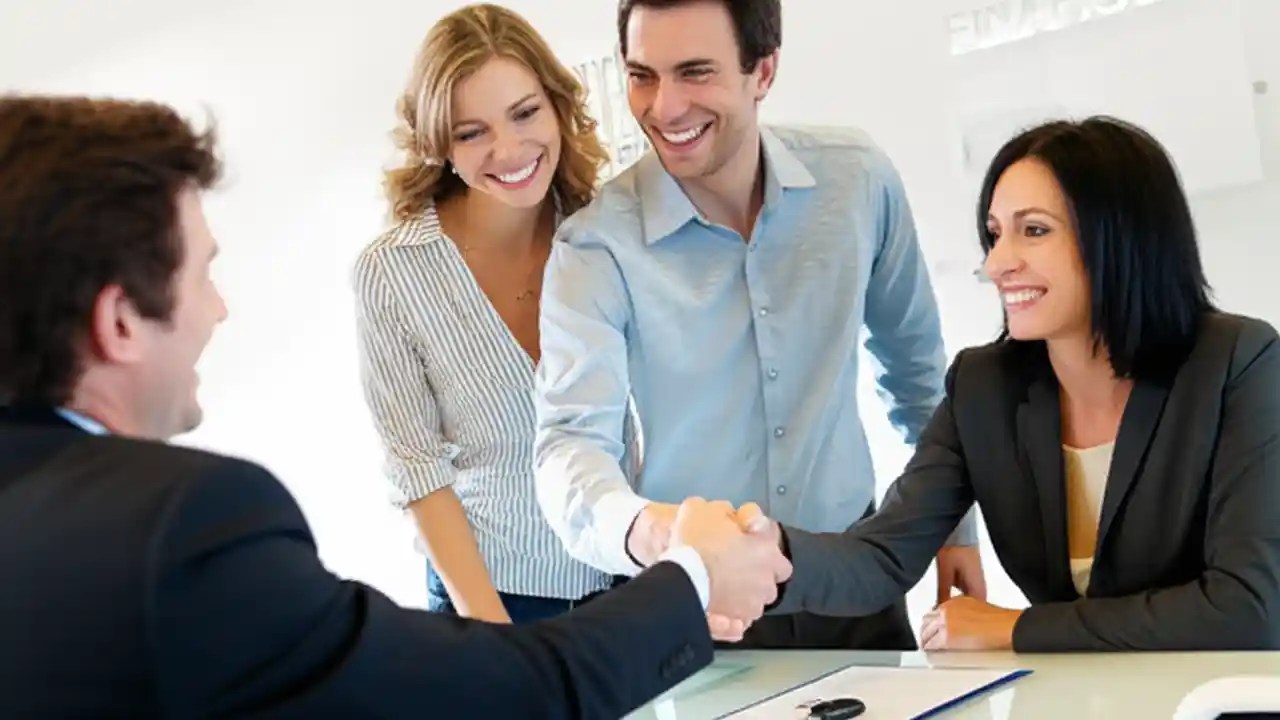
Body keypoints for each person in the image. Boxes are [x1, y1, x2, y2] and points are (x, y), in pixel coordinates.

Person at [0, 94, 791, 717]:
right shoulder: (186, 526)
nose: (219, 310)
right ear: (119, 322)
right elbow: (508, 695)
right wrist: (693, 573)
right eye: (202, 275)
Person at [533, 0, 983, 649]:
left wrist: (954, 529)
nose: (663, 108)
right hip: (694, 607)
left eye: (694, 72)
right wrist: (658, 533)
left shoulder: (857, 180)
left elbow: (916, 373)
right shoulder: (595, 248)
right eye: (642, 76)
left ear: (763, 71)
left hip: (851, 582)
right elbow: (571, 445)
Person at [751, 116, 1280, 652]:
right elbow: (881, 557)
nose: (998, 263)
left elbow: (1248, 609)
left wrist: (1014, 627)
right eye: (996, 233)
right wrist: (759, 554)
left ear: (1120, 236)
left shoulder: (1239, 364)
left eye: (1034, 230)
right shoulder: (982, 387)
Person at [353, 3, 624, 624]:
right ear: (439, 145)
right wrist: (492, 631)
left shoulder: (608, 233)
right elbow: (418, 469)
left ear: (557, 106)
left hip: (635, 581)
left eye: (525, 113)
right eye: (471, 132)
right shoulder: (392, 273)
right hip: (496, 598)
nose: (508, 148)